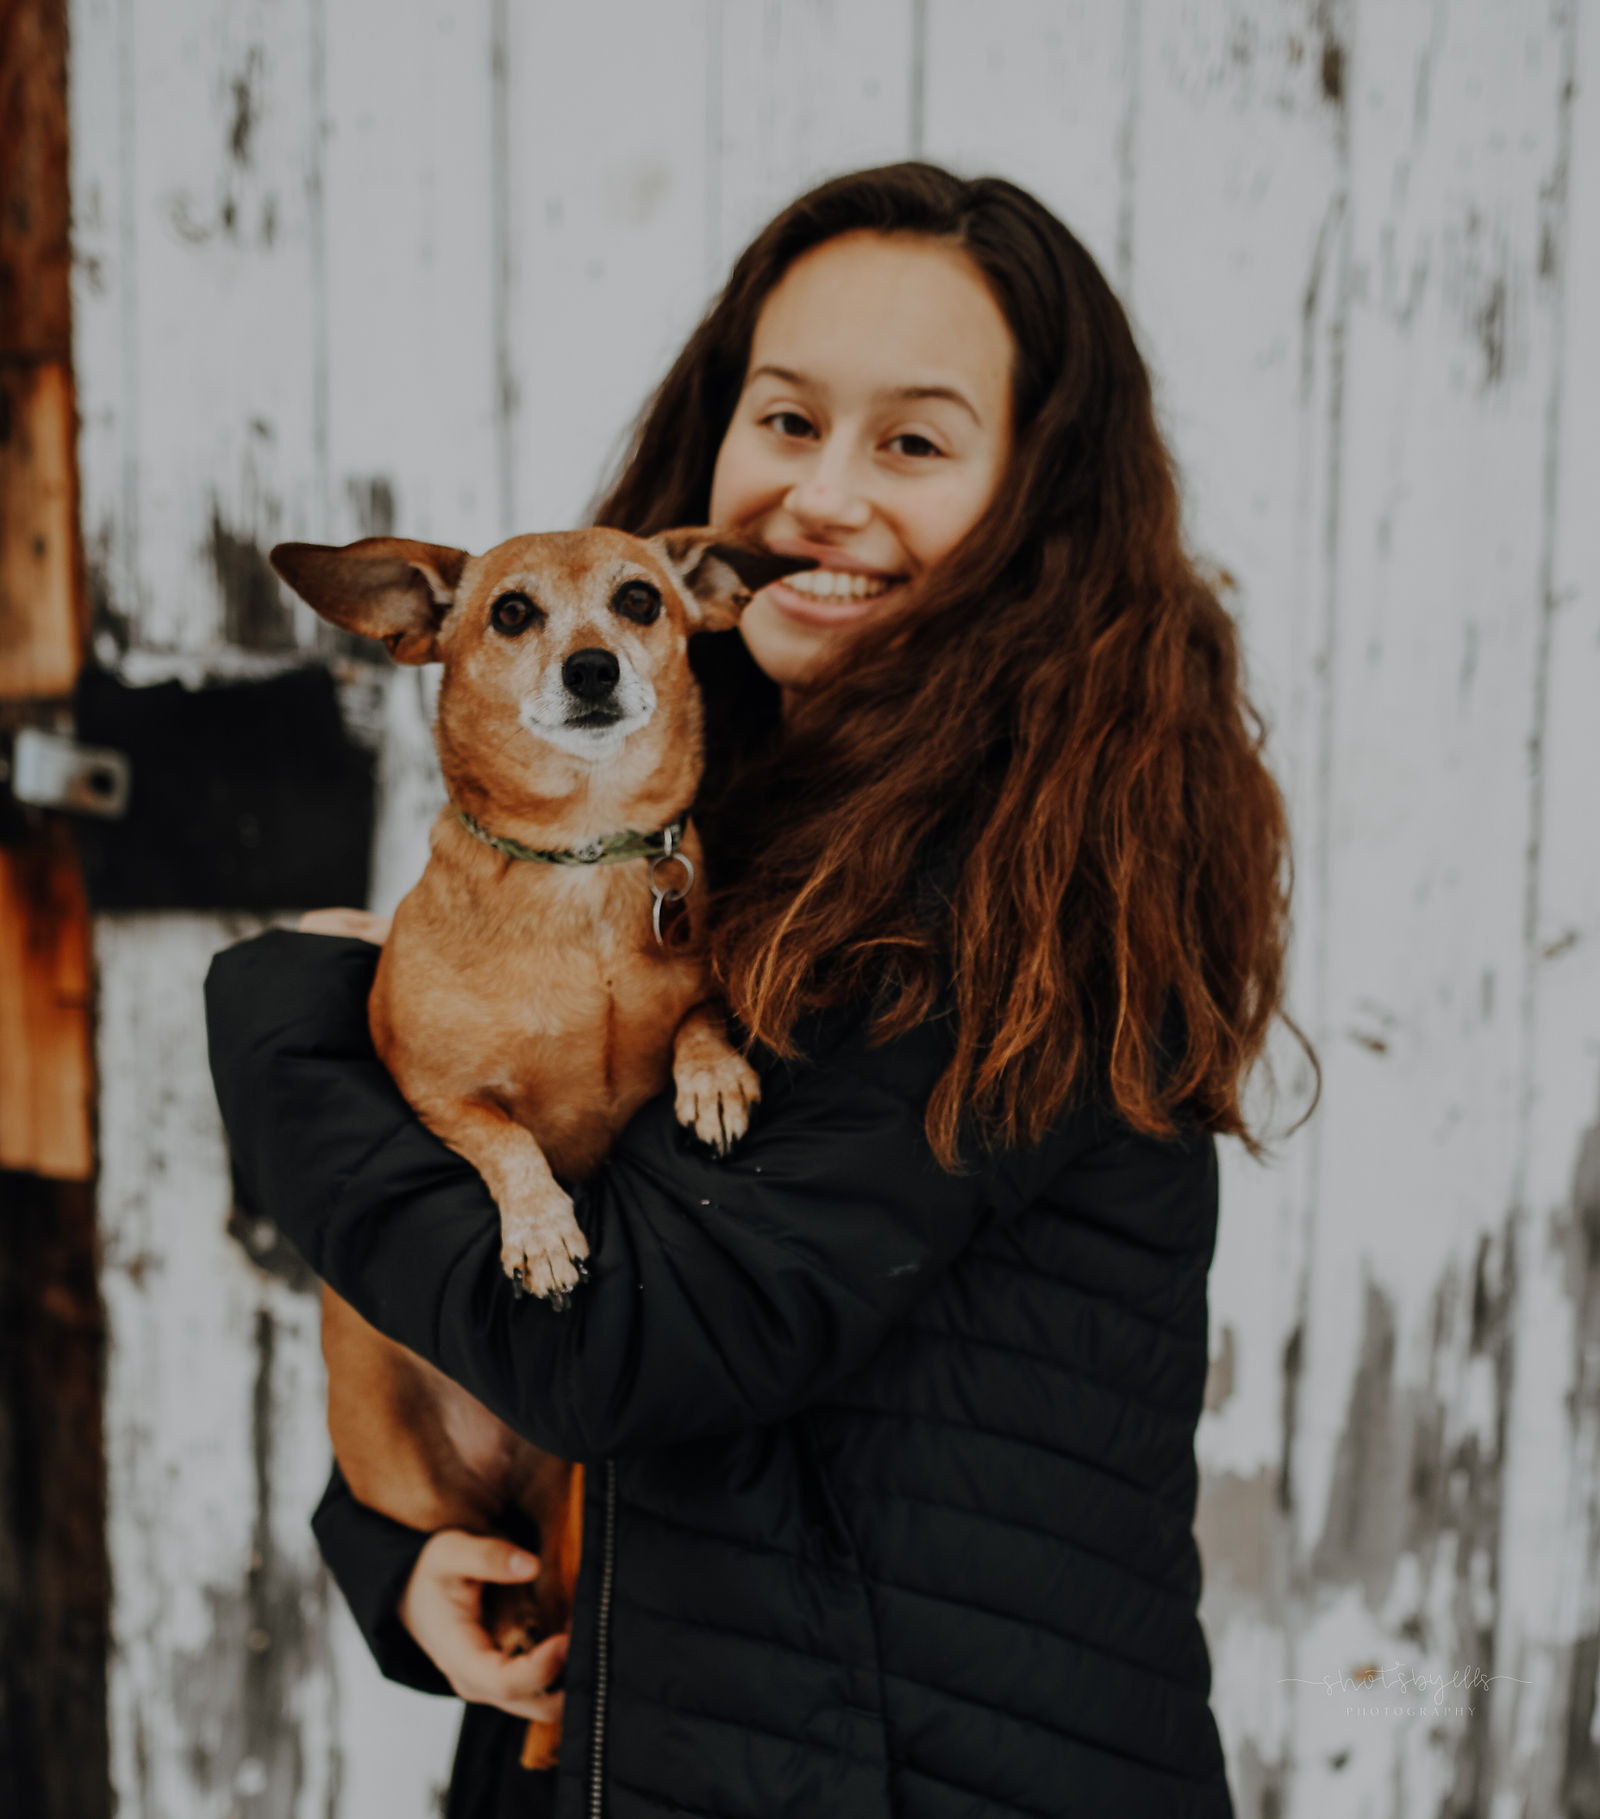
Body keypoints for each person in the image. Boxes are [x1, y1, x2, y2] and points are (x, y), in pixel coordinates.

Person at [206, 162, 1301, 1819]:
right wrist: (406, 1550)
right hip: (664, 1736)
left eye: (915, 443)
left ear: (1039, 499)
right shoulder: (679, 794)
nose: (822, 496)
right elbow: (552, 1285)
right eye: (788, 419)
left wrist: (289, 1029)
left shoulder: (1028, 874)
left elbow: (622, 1343)